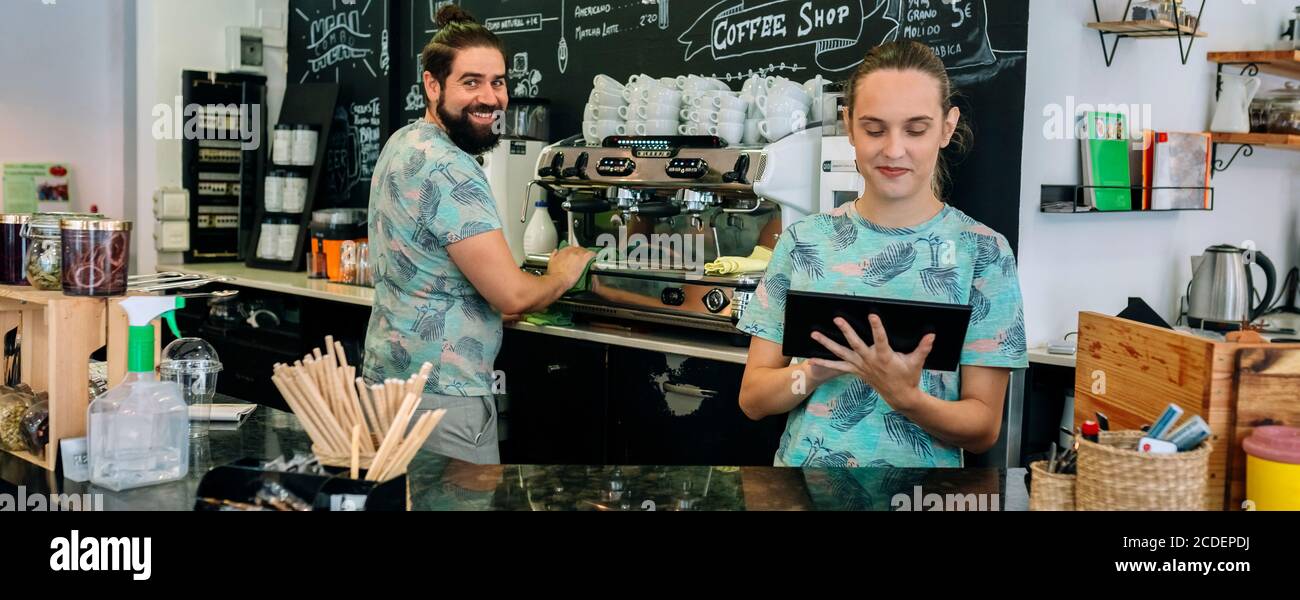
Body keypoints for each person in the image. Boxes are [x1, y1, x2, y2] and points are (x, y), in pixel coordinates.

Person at [736, 41, 1028, 468]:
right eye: (875, 129)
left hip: (924, 498)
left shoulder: (984, 252)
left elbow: (983, 428)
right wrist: (816, 371)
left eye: (916, 129)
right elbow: (754, 400)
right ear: (849, 126)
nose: (893, 150)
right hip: (804, 494)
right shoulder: (802, 242)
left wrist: (907, 398)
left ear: (947, 128)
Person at [363, 5, 594, 464]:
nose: (490, 99)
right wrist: (562, 274)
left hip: (384, 387)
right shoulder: (452, 168)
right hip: (443, 401)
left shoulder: (403, 142)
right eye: (471, 83)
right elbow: (510, 295)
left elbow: (443, 274)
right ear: (433, 85)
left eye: (499, 82)